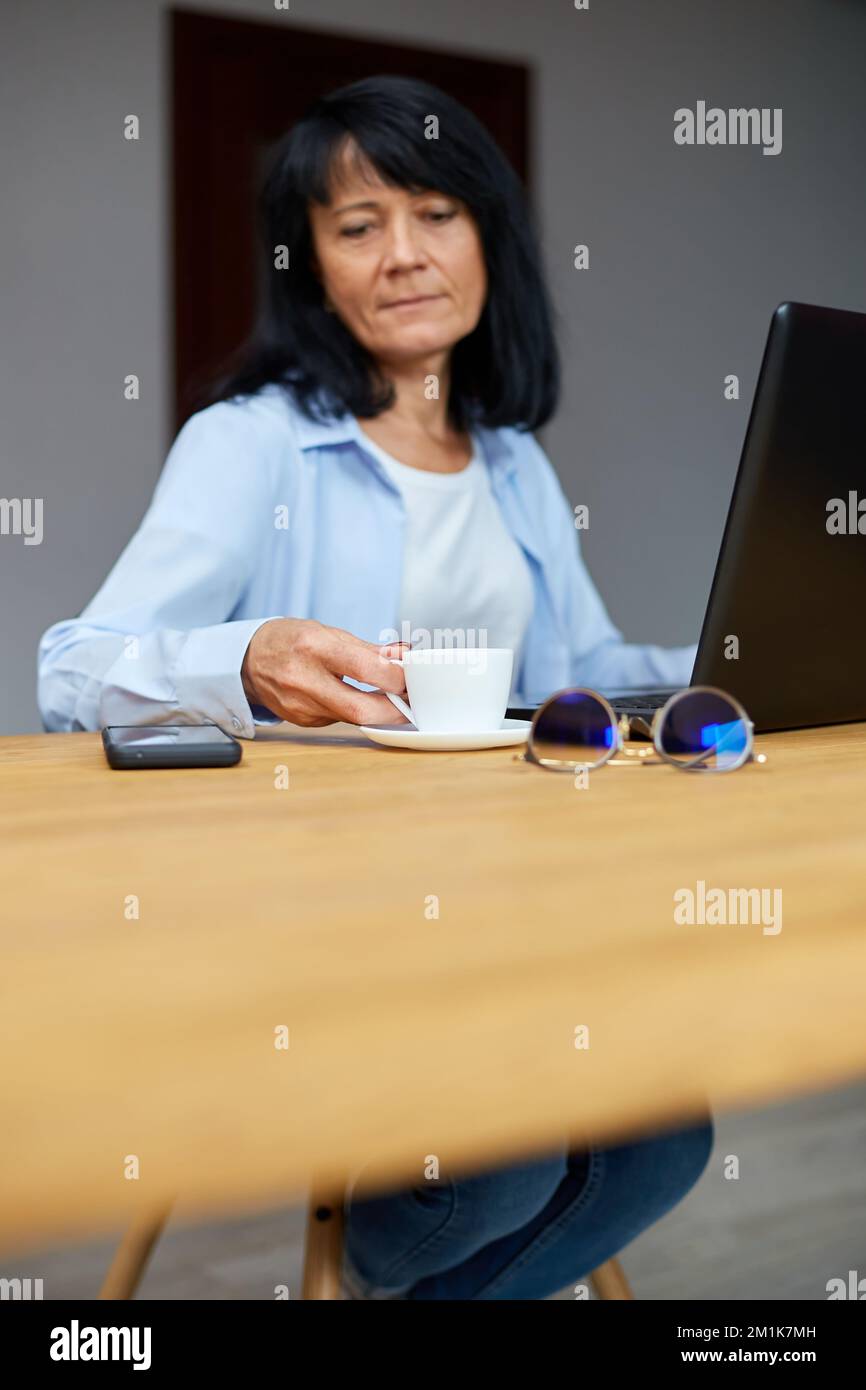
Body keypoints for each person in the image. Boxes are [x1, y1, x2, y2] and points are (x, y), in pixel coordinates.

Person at [37, 75, 712, 1298]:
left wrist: (738, 660)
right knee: (500, 1171)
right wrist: (241, 657)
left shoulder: (510, 462)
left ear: (487, 240)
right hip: (315, 934)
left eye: (436, 212)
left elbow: (589, 679)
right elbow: (70, 667)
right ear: (313, 265)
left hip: (506, 916)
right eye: (356, 226)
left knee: (666, 1137)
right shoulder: (249, 442)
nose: (402, 254)